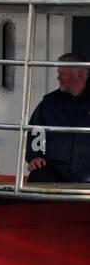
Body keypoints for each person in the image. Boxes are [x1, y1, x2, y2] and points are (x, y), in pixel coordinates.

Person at [26, 51, 90, 183]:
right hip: (55, 172)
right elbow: (35, 131)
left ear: (79, 74)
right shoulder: (49, 103)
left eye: (63, 73)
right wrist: (35, 157)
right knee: (38, 177)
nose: (58, 78)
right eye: (58, 73)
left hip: (86, 171)